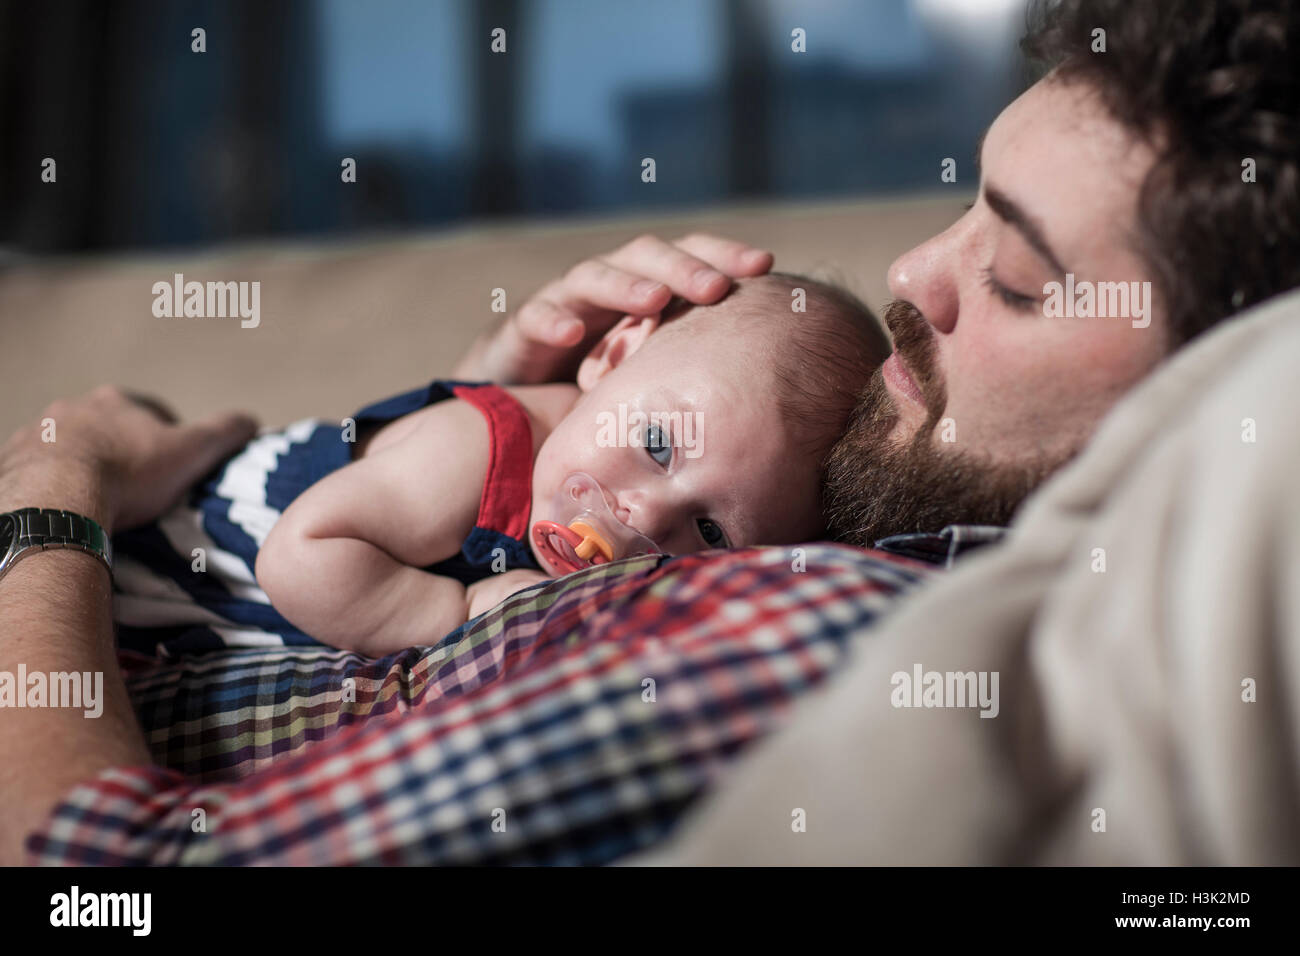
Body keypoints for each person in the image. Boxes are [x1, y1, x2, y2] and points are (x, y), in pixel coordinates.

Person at [2, 0, 1298, 864]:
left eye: (1018, 277)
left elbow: (92, 884)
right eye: (964, 208)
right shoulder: (808, 514)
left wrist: (56, 489)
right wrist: (474, 430)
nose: (912, 275)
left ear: (1218, 387)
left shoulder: (810, 633)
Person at [111, 274, 885, 657]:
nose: (647, 516)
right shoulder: (481, 450)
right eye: (658, 443)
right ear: (614, 354)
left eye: (710, 530)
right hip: (153, 557)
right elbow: (300, 556)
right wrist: (460, 613)